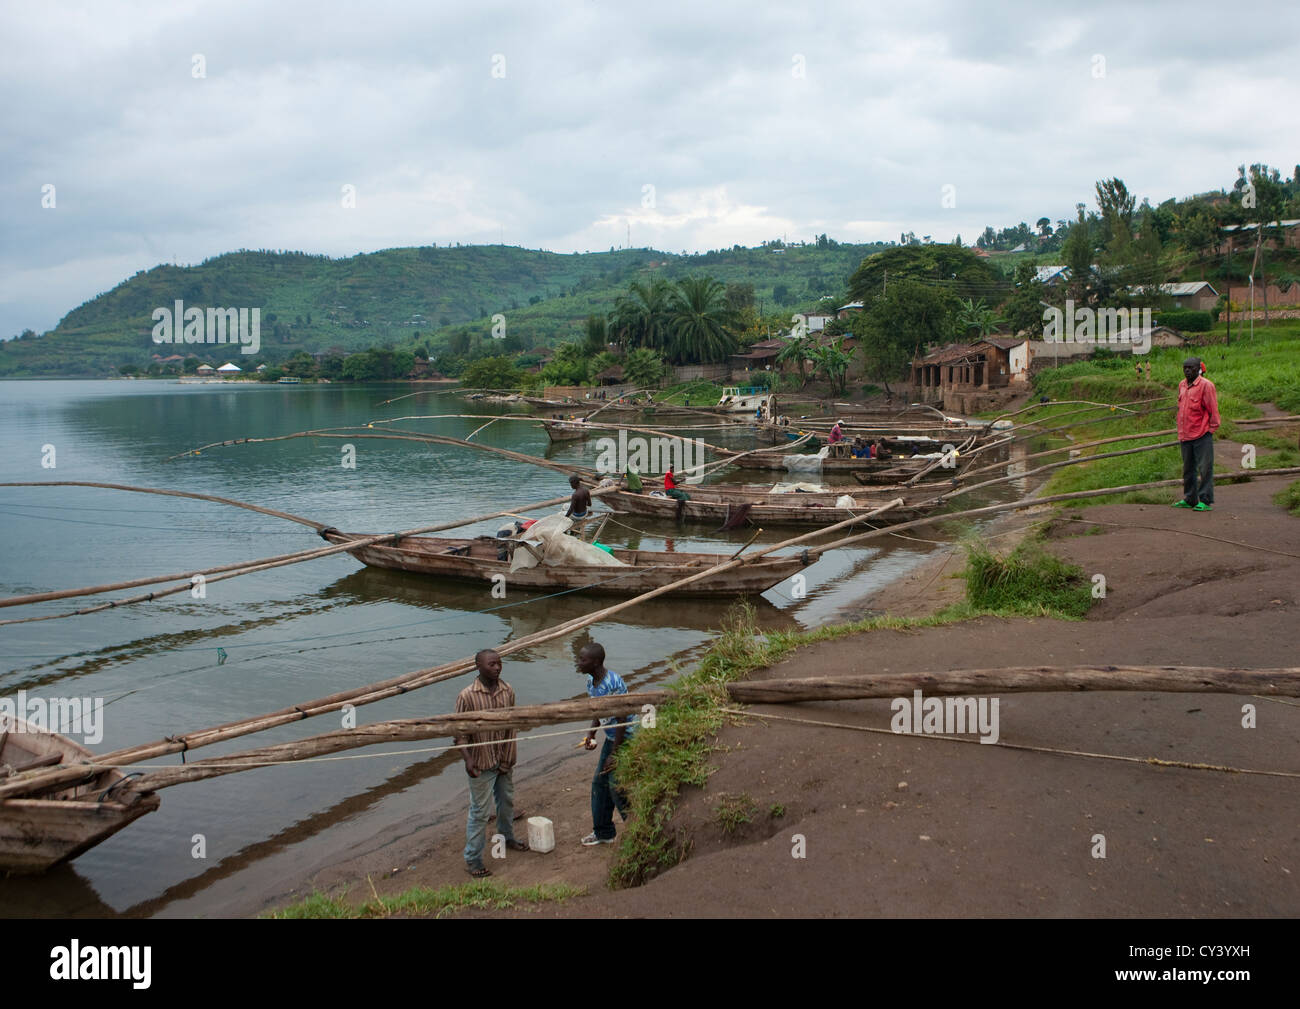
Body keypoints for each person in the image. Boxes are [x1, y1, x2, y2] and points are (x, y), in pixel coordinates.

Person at [454, 649, 528, 877]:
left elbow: (510, 727)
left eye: (499, 663)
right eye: (491, 664)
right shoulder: (467, 696)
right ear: (478, 667)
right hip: (480, 765)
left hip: (504, 760)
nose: (496, 668)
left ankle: (507, 838)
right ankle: (473, 859)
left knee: (506, 802)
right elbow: (459, 734)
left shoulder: (508, 691)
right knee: (480, 812)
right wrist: (468, 760)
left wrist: (508, 759)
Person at [577, 643, 635, 845]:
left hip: (625, 738)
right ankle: (604, 833)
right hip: (612, 738)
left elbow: (622, 719)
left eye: (582, 659)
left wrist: (614, 753)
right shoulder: (591, 681)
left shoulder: (612, 683)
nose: (578, 662)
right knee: (600, 784)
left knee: (615, 786)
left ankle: (637, 829)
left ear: (596, 662)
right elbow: (598, 712)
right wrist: (591, 735)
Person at [1173, 357, 1220, 512]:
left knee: (1205, 468)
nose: (1187, 370)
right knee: (1188, 468)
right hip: (1185, 434)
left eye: (1191, 368)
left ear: (1198, 369)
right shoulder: (1182, 385)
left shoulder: (1206, 386)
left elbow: (1213, 409)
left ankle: (1205, 500)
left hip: (1202, 434)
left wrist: (1210, 430)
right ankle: (1190, 498)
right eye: (1185, 367)